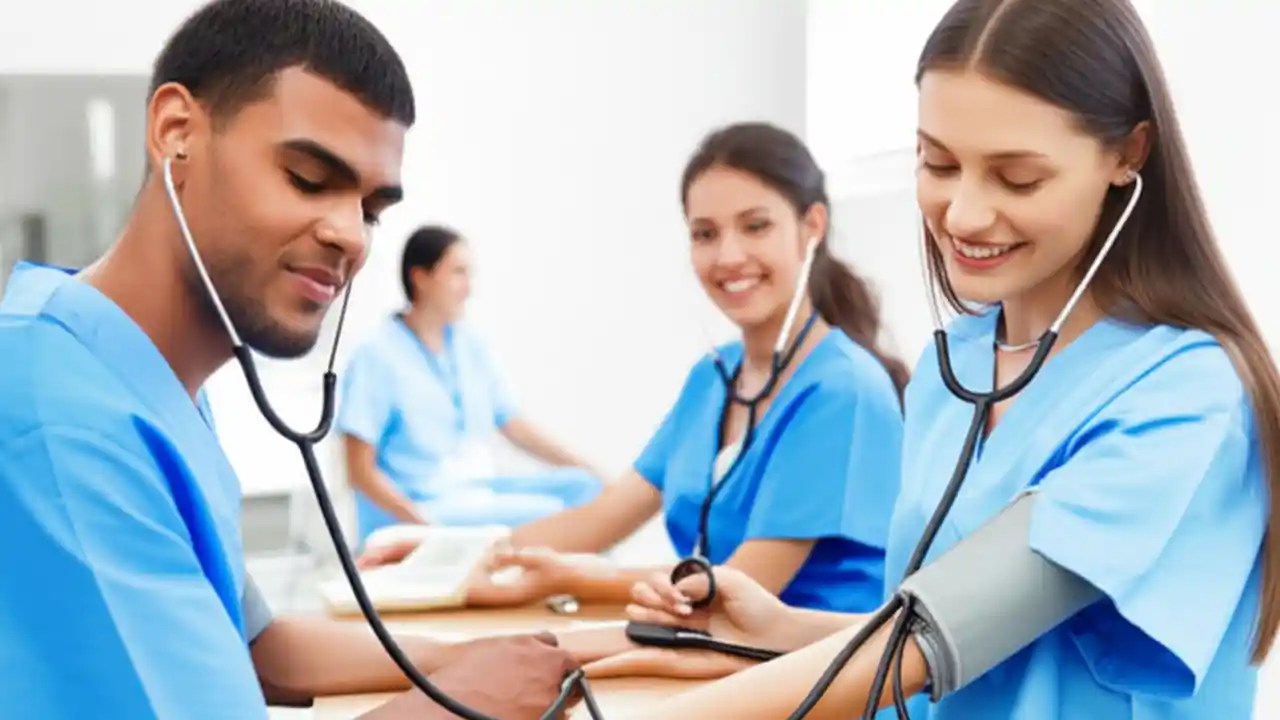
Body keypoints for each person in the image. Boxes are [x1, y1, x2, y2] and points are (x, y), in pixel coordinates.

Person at [604, 0, 1280, 717]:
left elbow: (935, 640)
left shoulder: (1186, 396)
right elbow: (981, 654)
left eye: (1017, 177)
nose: (962, 214)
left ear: (1128, 154)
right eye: (938, 163)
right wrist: (778, 629)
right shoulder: (951, 369)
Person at [0, 1, 584, 718]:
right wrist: (461, 703)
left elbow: (255, 648)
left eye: (370, 209)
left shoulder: (142, 379)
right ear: (176, 133)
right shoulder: (55, 416)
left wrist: (504, 652)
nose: (350, 237)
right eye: (308, 178)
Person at [363, 122, 910, 619]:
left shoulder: (844, 390)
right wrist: (450, 551)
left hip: (820, 688)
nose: (728, 256)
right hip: (718, 654)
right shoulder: (712, 379)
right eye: (705, 233)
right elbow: (600, 517)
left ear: (812, 227)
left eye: (756, 226)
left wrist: (580, 577)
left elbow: (742, 590)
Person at [338, 224, 603, 542]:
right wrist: (424, 528)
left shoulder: (468, 345)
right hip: (421, 507)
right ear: (420, 277)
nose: (468, 288)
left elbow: (514, 425)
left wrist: (593, 471)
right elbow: (359, 472)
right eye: (458, 273)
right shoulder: (376, 355)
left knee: (586, 490)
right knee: (551, 513)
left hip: (476, 491)